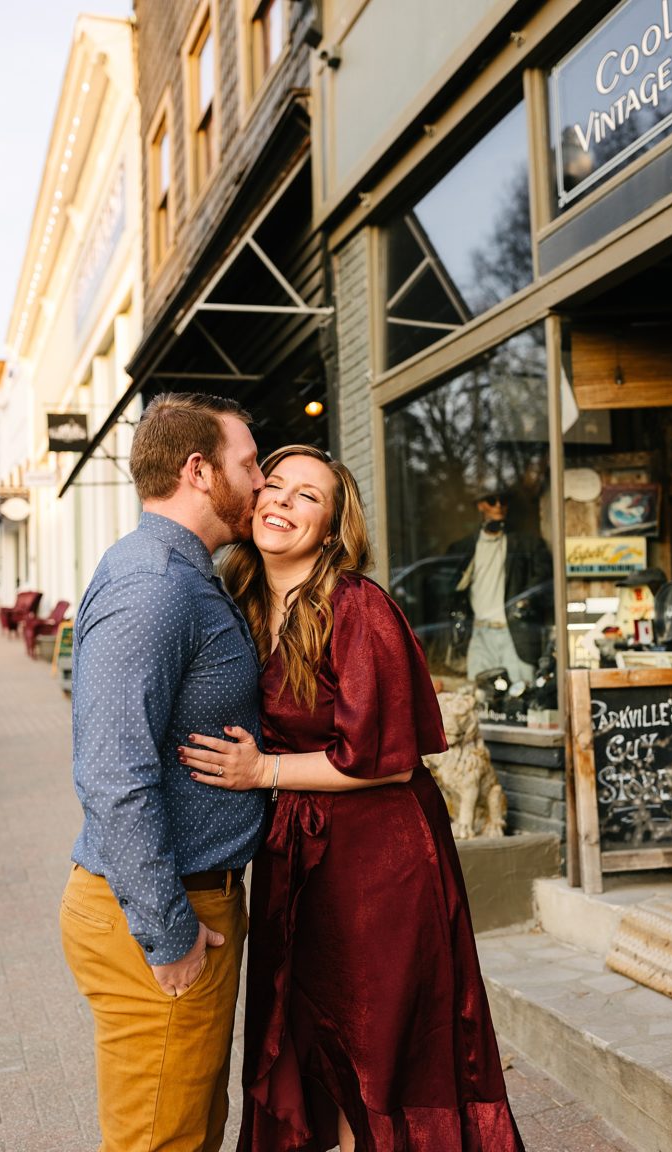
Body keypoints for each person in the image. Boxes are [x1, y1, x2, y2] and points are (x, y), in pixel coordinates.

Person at [178, 445, 525, 1152]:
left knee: (380, 1039)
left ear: (334, 529)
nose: (281, 502)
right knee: (308, 1034)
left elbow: (387, 764)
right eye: (273, 485)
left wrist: (262, 773)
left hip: (380, 859)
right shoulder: (235, 601)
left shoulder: (356, 606)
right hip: (297, 852)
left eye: (308, 497)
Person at [60, 393, 267, 1152]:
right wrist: (169, 931)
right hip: (161, 913)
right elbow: (113, 771)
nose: (260, 481)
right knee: (161, 1142)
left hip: (190, 901)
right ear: (197, 470)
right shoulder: (154, 583)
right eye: (247, 465)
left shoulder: (189, 572)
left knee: (189, 1133)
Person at [452, 487, 552, 684]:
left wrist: (524, 602)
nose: (498, 506)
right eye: (491, 500)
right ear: (480, 505)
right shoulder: (465, 548)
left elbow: (544, 577)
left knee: (521, 691)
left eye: (503, 501)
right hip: (480, 632)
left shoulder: (525, 544)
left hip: (513, 632)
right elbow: (449, 589)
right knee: (481, 696)